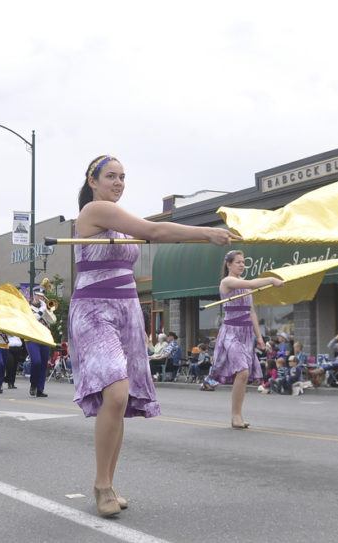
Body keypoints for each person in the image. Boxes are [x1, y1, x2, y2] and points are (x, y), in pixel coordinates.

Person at [70, 155, 234, 517]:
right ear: (92, 181)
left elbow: (147, 234)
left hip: (127, 310)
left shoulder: (120, 218)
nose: (118, 182)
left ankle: (108, 483)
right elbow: (157, 232)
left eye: (122, 177)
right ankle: (101, 485)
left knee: (121, 399)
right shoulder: (95, 210)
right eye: (111, 176)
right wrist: (206, 233)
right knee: (114, 390)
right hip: (95, 309)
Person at [209, 250, 282, 425]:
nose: (242, 264)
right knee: (243, 371)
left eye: (243, 262)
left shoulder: (245, 286)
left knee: (243, 374)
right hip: (231, 331)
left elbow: (251, 312)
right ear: (229, 264)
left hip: (246, 333)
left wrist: (259, 337)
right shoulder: (227, 282)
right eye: (238, 262)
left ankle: (238, 414)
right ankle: (235, 415)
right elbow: (251, 283)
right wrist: (271, 280)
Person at [27, 284, 56, 397]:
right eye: (39, 296)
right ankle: (33, 384)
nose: (41, 298)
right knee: (36, 361)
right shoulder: (27, 307)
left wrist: (48, 310)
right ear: (34, 295)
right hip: (32, 337)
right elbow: (32, 319)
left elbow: (53, 321)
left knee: (44, 364)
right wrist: (41, 311)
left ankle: (40, 389)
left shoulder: (45, 308)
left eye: (42, 296)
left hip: (44, 337)